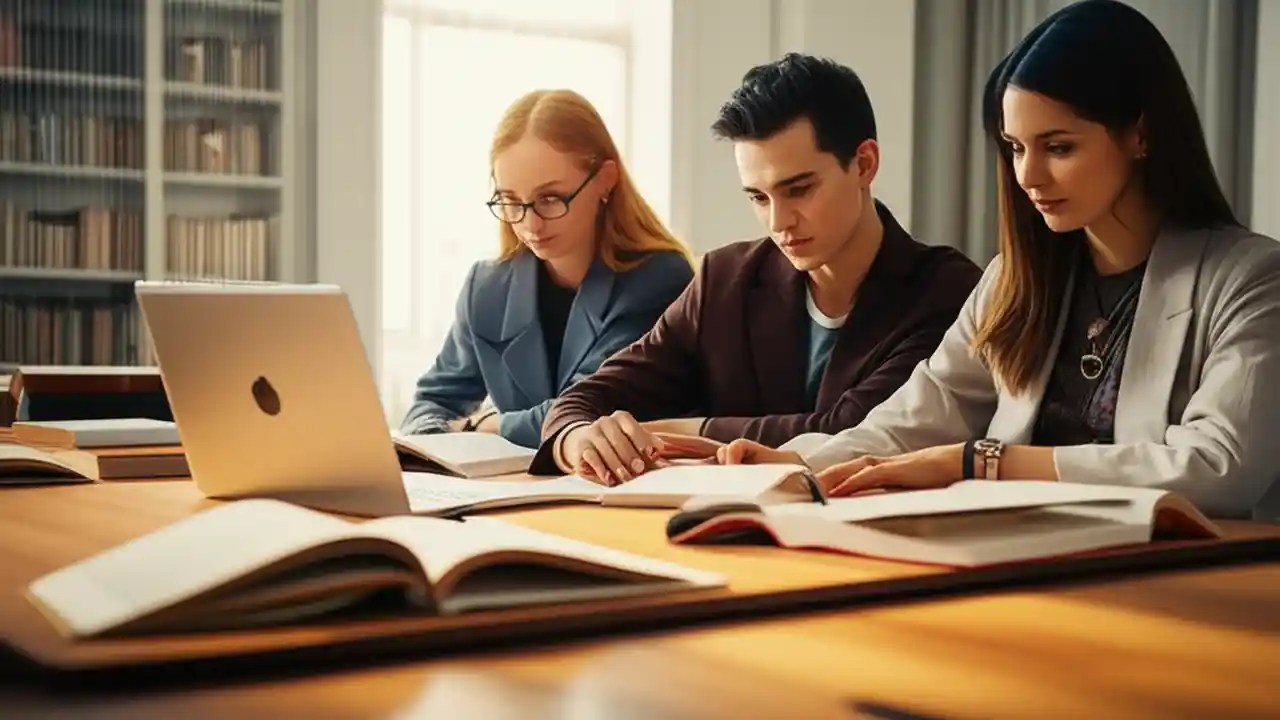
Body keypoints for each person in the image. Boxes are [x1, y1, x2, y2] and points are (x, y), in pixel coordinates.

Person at [719, 0, 1280, 520]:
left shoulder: (1250, 279)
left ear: (1139, 134)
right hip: (1016, 558)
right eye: (1015, 148)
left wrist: (984, 463)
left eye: (1058, 147)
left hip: (1179, 580)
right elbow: (919, 416)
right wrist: (794, 464)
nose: (1028, 177)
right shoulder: (1013, 280)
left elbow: (1217, 468)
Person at [532, 53, 982, 483]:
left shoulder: (945, 291)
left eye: (799, 189)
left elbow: (850, 432)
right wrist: (579, 440)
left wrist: (687, 432)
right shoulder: (724, 280)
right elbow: (583, 401)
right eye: (757, 197)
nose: (778, 221)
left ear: (864, 164)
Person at [400, 89, 694, 449]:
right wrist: (450, 435)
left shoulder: (660, 277)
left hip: (624, 486)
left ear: (605, 180)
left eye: (550, 199)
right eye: (510, 201)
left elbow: (588, 411)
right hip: (514, 490)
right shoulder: (488, 286)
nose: (530, 225)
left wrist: (486, 426)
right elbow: (430, 405)